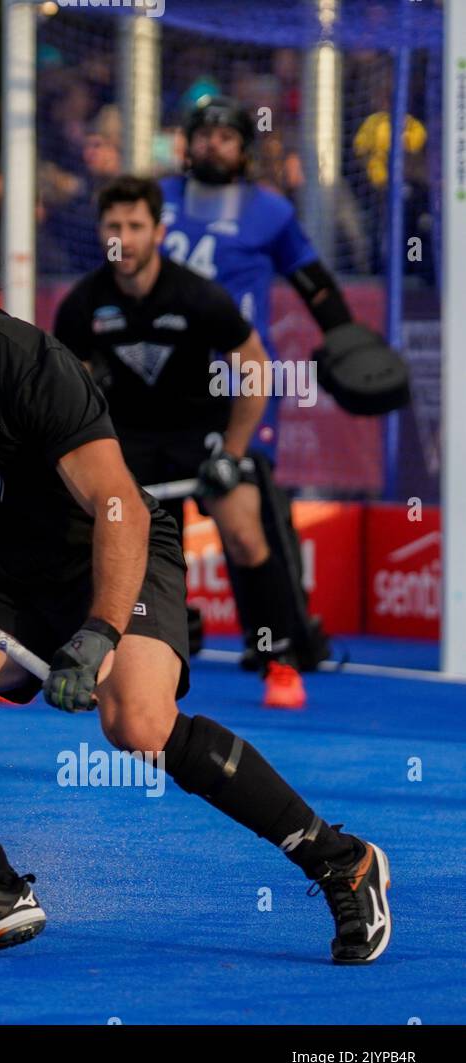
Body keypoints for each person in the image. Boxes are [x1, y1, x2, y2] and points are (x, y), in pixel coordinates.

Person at [0, 197, 391, 963]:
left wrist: (99, 632)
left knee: (135, 722)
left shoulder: (31, 367)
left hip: (121, 556)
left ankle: (341, 860)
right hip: (23, 580)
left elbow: (121, 512)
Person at [159, 95, 406, 678]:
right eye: (204, 133)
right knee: (152, 513)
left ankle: (280, 639)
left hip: (239, 383)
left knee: (257, 515)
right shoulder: (156, 202)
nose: (214, 143)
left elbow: (314, 284)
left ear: (246, 149)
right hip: (160, 387)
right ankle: (169, 628)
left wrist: (346, 340)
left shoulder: (269, 211)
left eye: (227, 135)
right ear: (187, 143)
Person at [54, 175, 303, 708]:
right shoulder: (82, 304)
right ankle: (58, 656)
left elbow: (256, 366)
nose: (124, 237)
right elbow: (67, 396)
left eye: (136, 226)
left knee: (242, 525)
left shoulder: (195, 294)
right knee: (82, 532)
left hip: (201, 437)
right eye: (114, 226)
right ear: (101, 233)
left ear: (159, 232)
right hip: (128, 442)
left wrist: (233, 454)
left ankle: (278, 659)